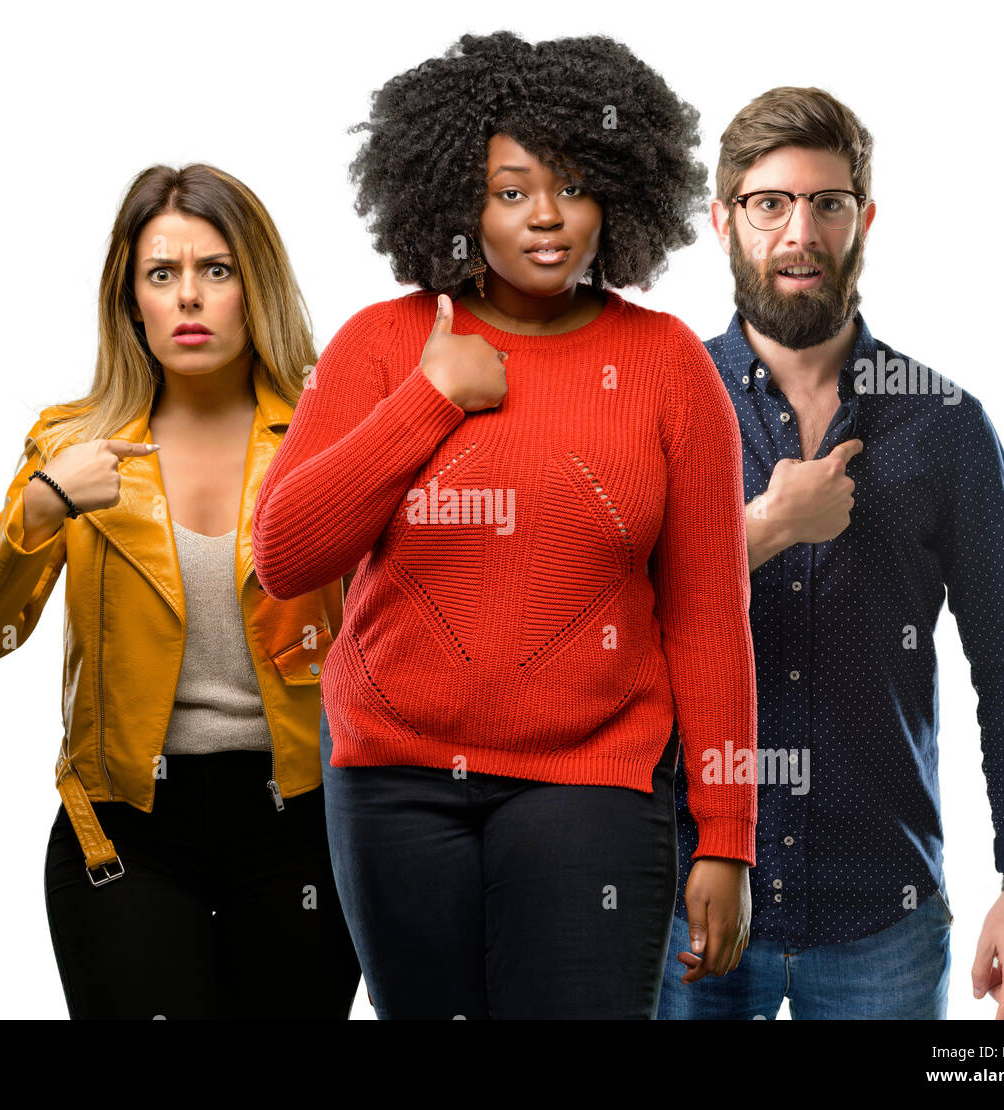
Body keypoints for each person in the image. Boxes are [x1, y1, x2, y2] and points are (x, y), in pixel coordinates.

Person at [252, 31, 758, 1020]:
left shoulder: (665, 368)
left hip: (593, 783)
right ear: (454, 200)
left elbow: (708, 619)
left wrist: (727, 831)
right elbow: (284, 554)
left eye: (571, 187)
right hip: (392, 781)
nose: (546, 219)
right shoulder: (383, 345)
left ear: (618, 191)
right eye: (511, 190)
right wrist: (429, 399)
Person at [657, 87, 1004, 1021]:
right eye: (770, 204)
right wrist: (763, 528)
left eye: (827, 203)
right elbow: (597, 620)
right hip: (687, 899)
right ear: (723, 220)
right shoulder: (663, 403)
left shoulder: (945, 425)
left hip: (882, 917)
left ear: (864, 219)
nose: (799, 232)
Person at [0, 163, 363, 1019]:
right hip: (125, 833)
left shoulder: (329, 429)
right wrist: (44, 504)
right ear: (132, 302)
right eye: (163, 275)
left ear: (254, 287)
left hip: (303, 828)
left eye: (216, 271)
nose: (189, 297)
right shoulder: (71, 442)